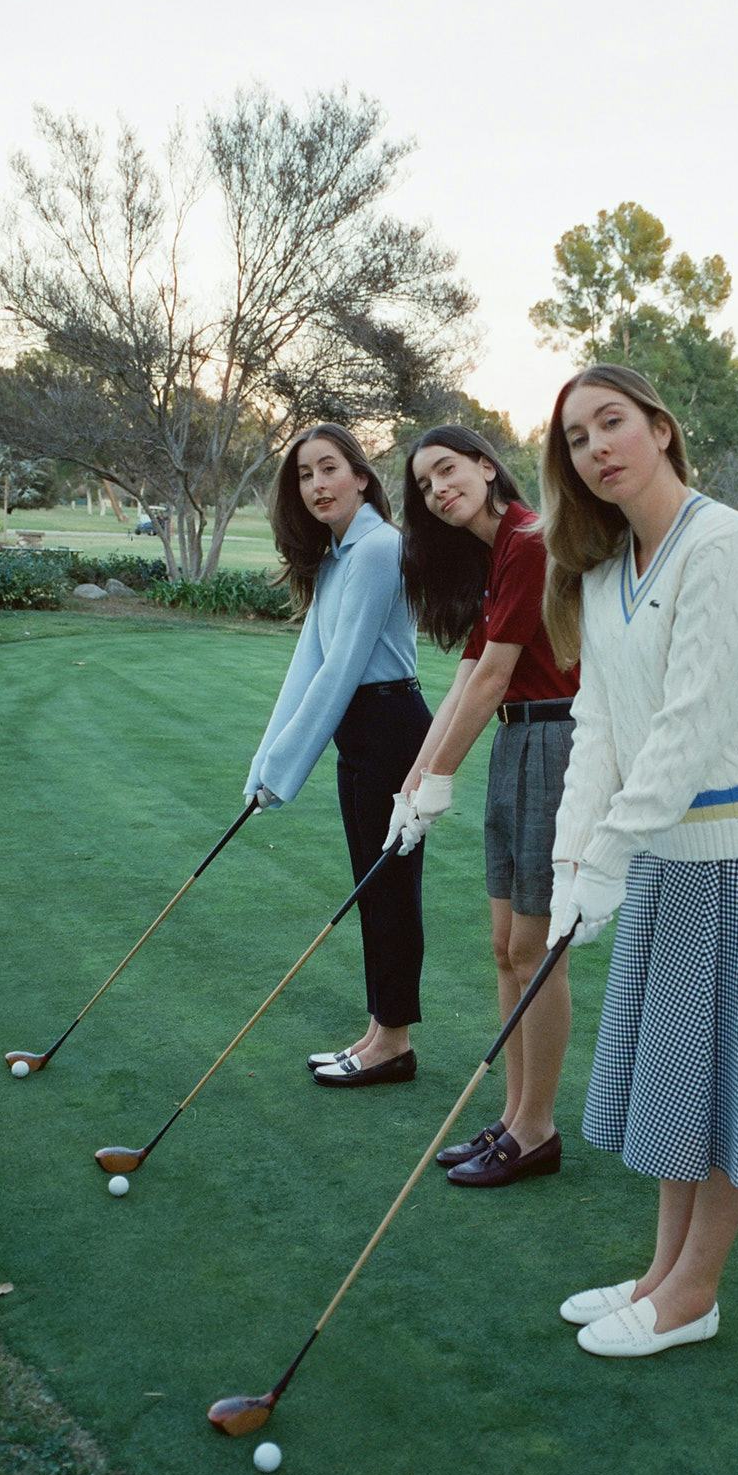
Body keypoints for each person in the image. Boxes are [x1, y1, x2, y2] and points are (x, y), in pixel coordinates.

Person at [541, 364, 738, 1356]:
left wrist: (608, 858)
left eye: (612, 423)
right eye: (577, 438)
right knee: (683, 1077)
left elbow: (688, 729)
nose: (598, 447)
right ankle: (660, 1274)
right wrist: (570, 866)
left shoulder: (724, 545)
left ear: (660, 428)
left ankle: (695, 1290)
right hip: (668, 855)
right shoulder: (601, 574)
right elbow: (596, 727)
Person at [391, 425, 579, 1186]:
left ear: (483, 464)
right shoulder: (495, 556)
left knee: (534, 950)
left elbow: (499, 676)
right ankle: (511, 1118)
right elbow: (468, 679)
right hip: (514, 747)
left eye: (447, 470)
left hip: (553, 744)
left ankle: (536, 1129)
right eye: (426, 485)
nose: (439, 489)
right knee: (505, 946)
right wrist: (414, 778)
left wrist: (439, 779)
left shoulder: (531, 539)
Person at [245, 423, 430, 1088]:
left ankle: (394, 1043)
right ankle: (381, 1032)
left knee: (387, 891)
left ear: (360, 476)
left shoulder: (379, 548)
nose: (317, 484)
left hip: (390, 725)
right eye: (303, 475)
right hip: (361, 729)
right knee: (371, 889)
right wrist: (265, 768)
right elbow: (308, 664)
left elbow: (343, 668)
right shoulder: (336, 557)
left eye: (328, 469)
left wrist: (284, 772)